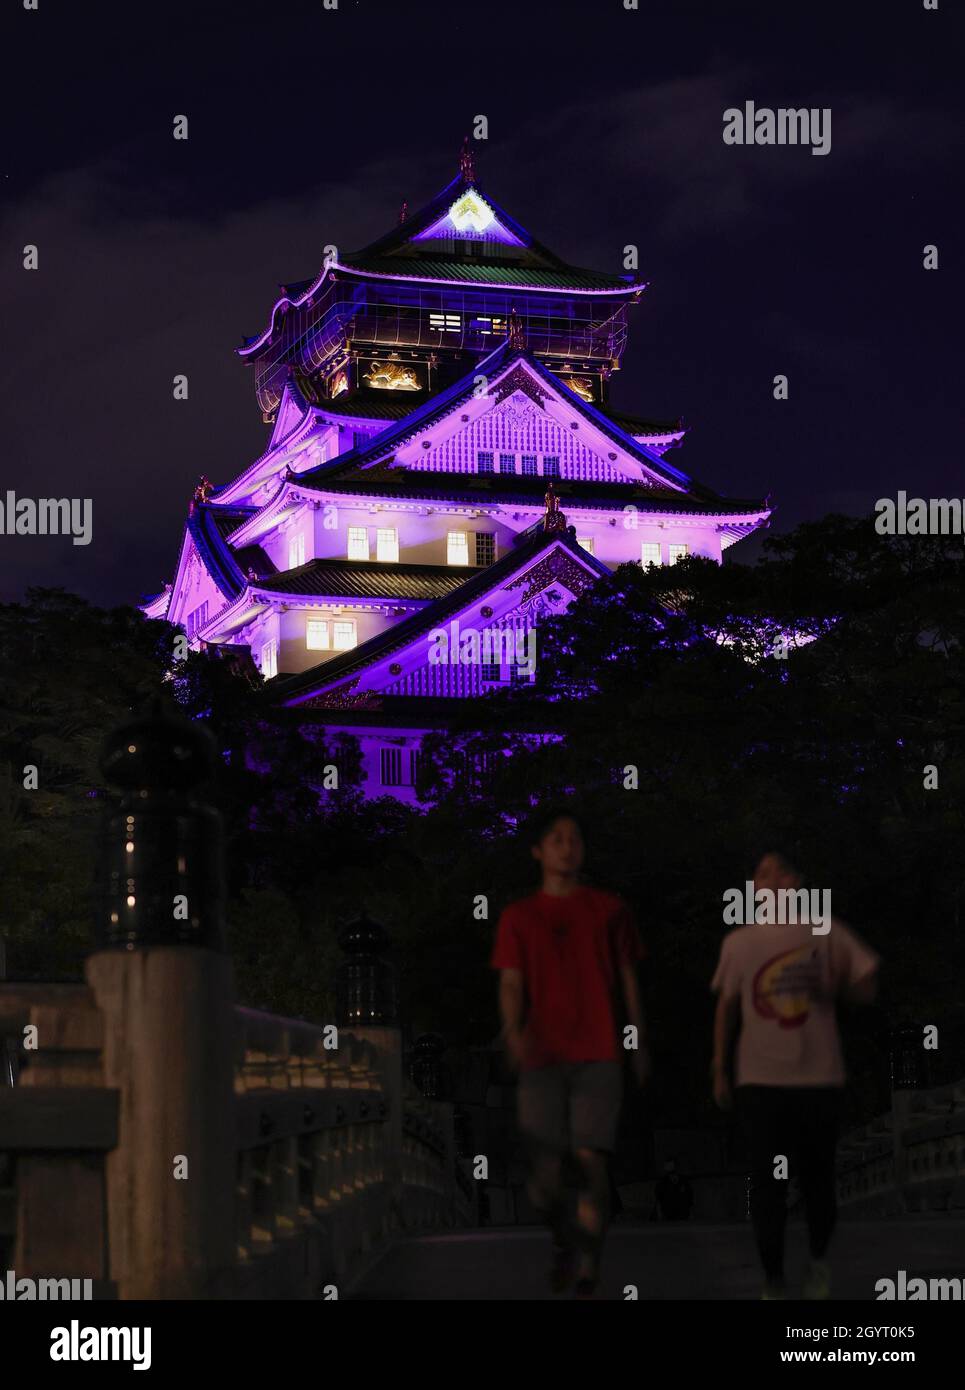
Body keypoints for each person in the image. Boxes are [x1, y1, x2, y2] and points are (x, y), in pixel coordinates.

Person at [491, 807, 649, 1298]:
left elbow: (629, 981)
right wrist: (512, 1032)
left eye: (574, 838)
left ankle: (588, 1264)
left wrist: (638, 1040)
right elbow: (511, 982)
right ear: (538, 850)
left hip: (599, 1049)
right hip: (542, 1055)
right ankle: (564, 1238)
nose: (567, 846)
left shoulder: (609, 910)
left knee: (591, 1160)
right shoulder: (519, 917)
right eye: (556, 838)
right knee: (545, 1176)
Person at [711, 849, 879, 1300]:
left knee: (818, 1180)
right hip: (760, 1080)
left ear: (795, 882)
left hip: (819, 1077)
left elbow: (866, 984)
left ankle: (818, 1263)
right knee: (767, 1183)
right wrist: (719, 1068)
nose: (769, 880)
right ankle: (773, 1279)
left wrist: (840, 985)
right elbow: (726, 1008)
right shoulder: (741, 943)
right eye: (760, 874)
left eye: (778, 871)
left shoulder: (824, 931)